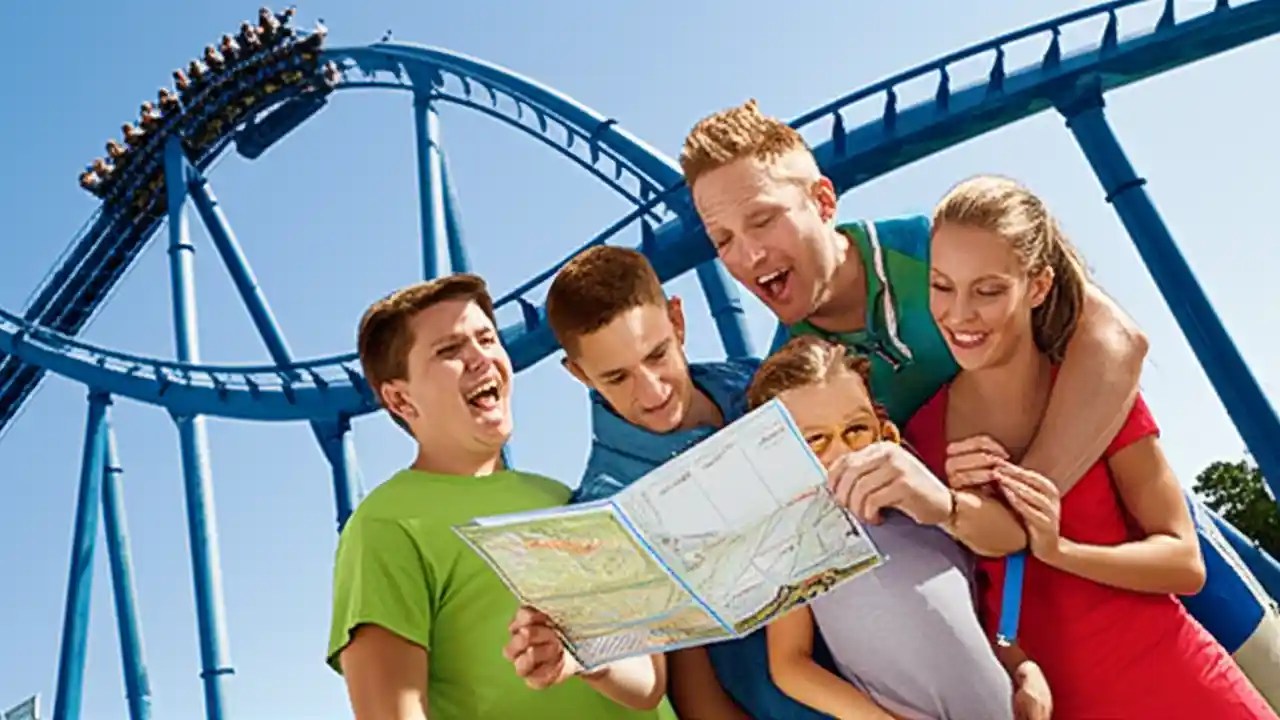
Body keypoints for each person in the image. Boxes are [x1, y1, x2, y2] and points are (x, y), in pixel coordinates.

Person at [904, 175, 1275, 719]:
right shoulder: (924, 437)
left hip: (1185, 686)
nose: (958, 315)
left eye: (987, 291)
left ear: (1037, 287)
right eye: (941, 285)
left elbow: (1183, 560)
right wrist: (1018, 667)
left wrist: (1060, 551)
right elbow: (957, 604)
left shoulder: (1094, 393)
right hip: (1064, 705)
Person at [679, 99, 1146, 491]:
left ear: (822, 201)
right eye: (723, 240)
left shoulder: (934, 246)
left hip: (1099, 480)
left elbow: (1117, 340)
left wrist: (1029, 498)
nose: (750, 254)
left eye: (762, 220)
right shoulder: (795, 373)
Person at [326, 273, 671, 720]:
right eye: (450, 350)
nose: (480, 358)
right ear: (401, 400)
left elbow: (649, 683)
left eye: (487, 339)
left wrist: (579, 658)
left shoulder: (565, 496)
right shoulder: (384, 526)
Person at [506, 243, 804, 719]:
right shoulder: (606, 506)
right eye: (617, 377)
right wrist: (585, 656)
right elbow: (654, 682)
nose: (652, 391)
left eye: (658, 354)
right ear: (579, 374)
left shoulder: (764, 384)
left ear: (678, 321)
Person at [747, 335, 1051, 720]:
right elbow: (790, 665)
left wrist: (1023, 667)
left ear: (884, 431)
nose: (843, 453)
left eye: (856, 429)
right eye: (816, 441)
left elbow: (983, 605)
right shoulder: (795, 542)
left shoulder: (920, 503)